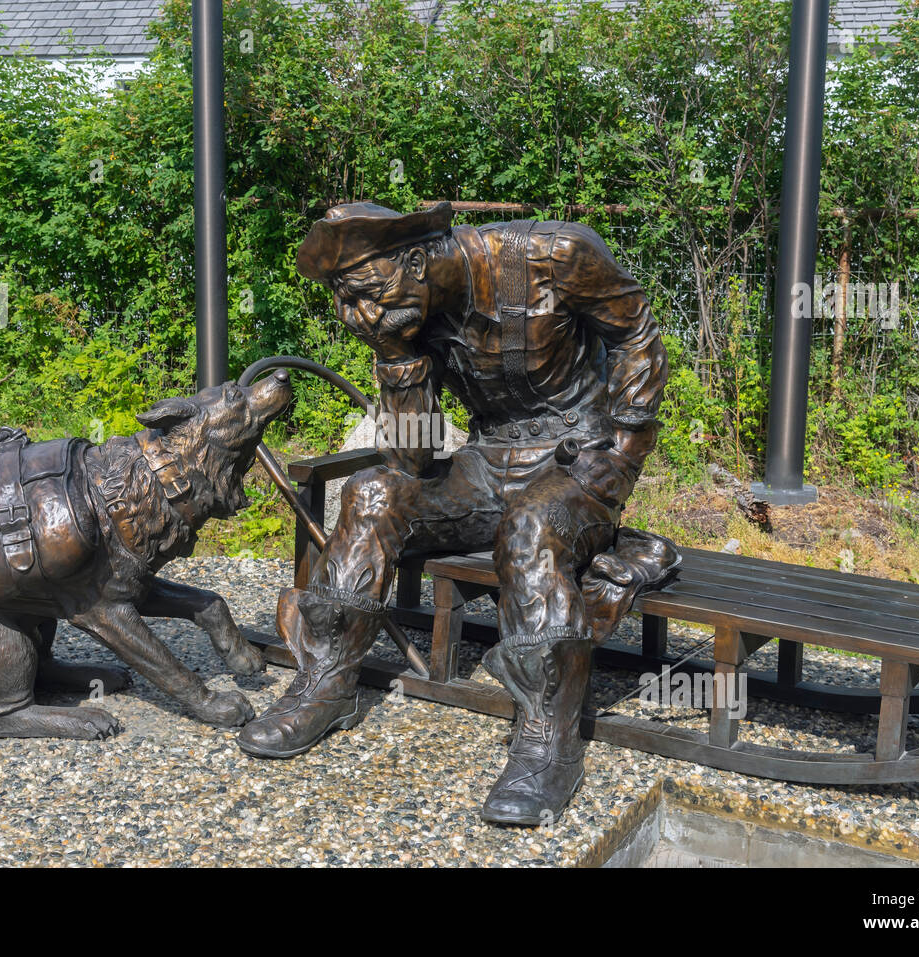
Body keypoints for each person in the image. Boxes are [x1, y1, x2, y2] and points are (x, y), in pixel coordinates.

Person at [237, 202, 670, 825]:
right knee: (372, 492)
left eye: (366, 293)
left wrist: (627, 447)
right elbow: (411, 460)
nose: (361, 314)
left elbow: (636, 332)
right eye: (347, 301)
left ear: (415, 258)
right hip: (487, 458)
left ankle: (549, 739)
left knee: (530, 527)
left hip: (577, 463)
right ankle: (325, 683)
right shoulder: (405, 313)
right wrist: (395, 354)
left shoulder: (556, 255)